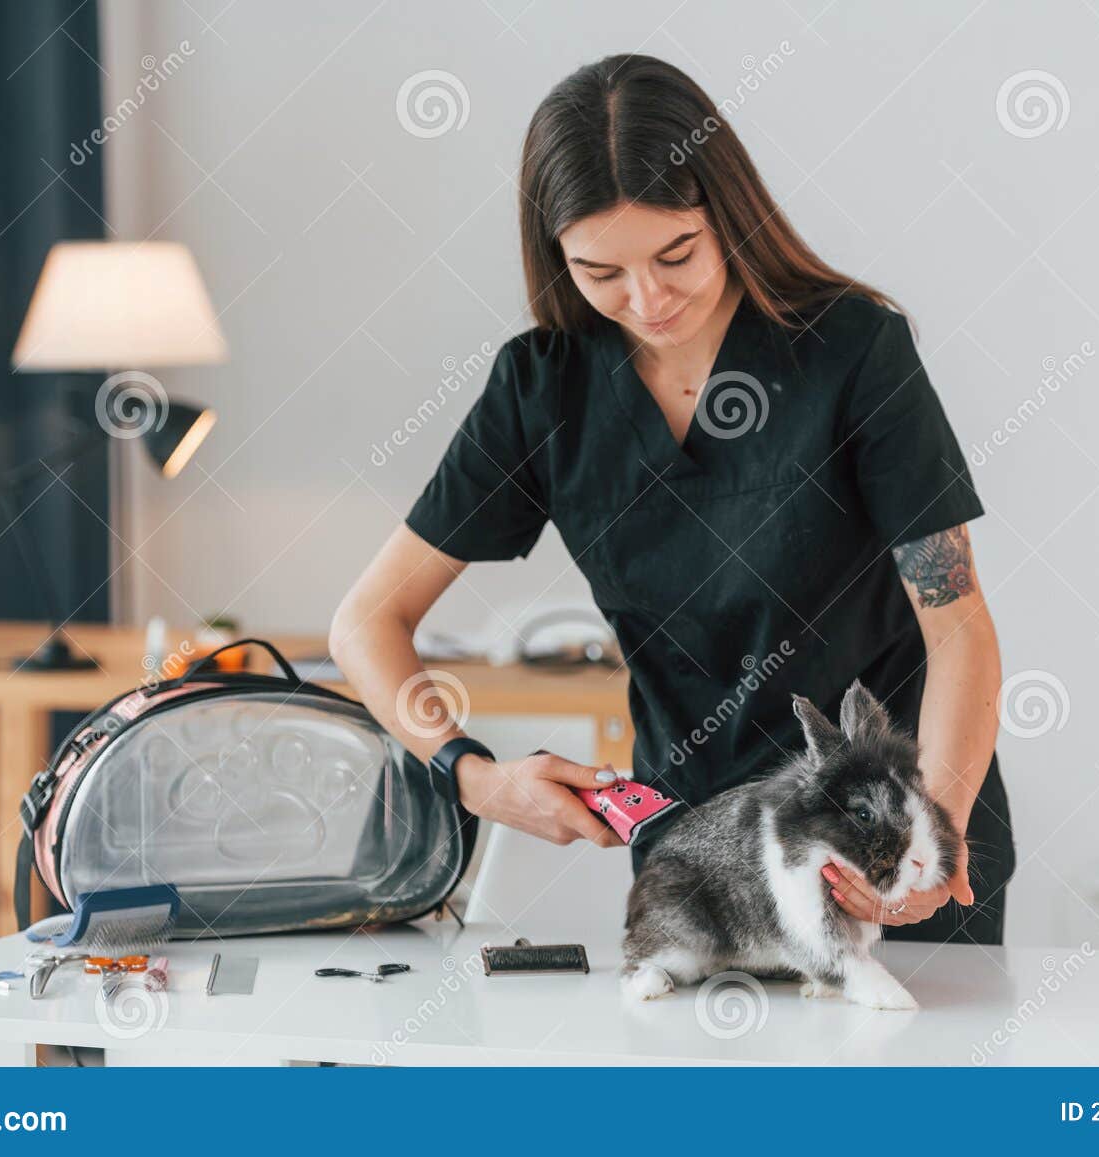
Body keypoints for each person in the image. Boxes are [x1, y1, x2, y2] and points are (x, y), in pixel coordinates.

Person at [330, 54, 1015, 944]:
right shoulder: (542, 390)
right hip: (703, 857)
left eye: (676, 253)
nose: (647, 299)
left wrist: (936, 833)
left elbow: (957, 624)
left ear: (726, 212)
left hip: (893, 840)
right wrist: (476, 778)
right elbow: (366, 622)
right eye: (600, 271)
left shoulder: (853, 350)